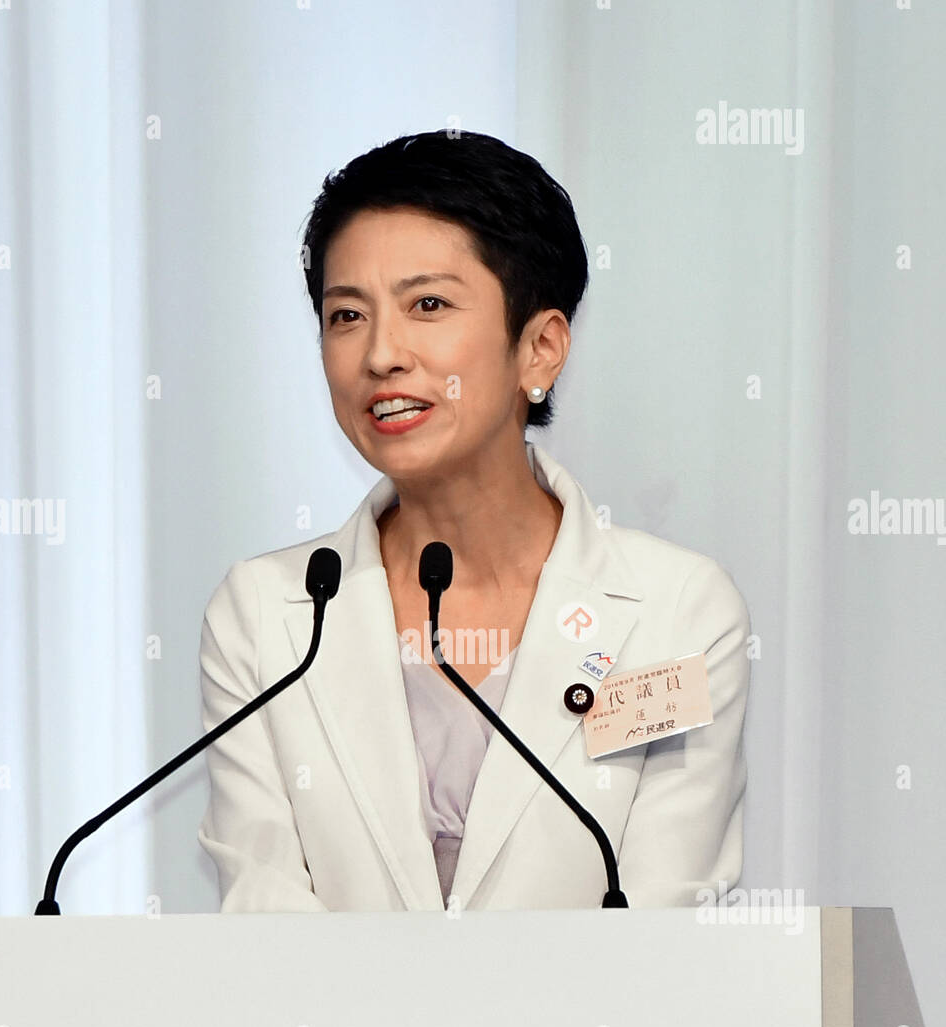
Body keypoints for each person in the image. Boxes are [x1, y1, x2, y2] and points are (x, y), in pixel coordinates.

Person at [198, 130, 750, 913]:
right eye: (346, 314)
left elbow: (662, 919)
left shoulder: (676, 610)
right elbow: (265, 909)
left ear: (540, 350)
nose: (381, 354)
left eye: (427, 305)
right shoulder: (265, 615)